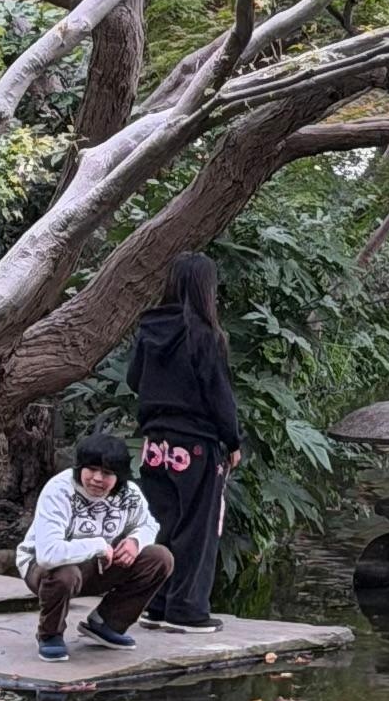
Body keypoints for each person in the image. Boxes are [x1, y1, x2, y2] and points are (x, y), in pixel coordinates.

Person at [126, 249, 241, 629]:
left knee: (161, 524)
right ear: (206, 289)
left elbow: (133, 380)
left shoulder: (148, 329)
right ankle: (187, 611)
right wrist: (233, 441)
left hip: (155, 444)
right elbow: (219, 395)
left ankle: (156, 604)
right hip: (195, 446)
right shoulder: (205, 335)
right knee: (198, 528)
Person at [18, 429, 171, 655]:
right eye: (91, 469)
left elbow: (150, 525)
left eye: (107, 473)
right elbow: (48, 554)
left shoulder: (129, 494)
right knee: (64, 573)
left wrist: (136, 542)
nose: (97, 478)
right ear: (80, 467)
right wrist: (98, 545)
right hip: (43, 568)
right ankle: (50, 634)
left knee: (160, 558)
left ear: (119, 477)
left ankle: (107, 623)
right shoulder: (59, 490)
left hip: (99, 566)